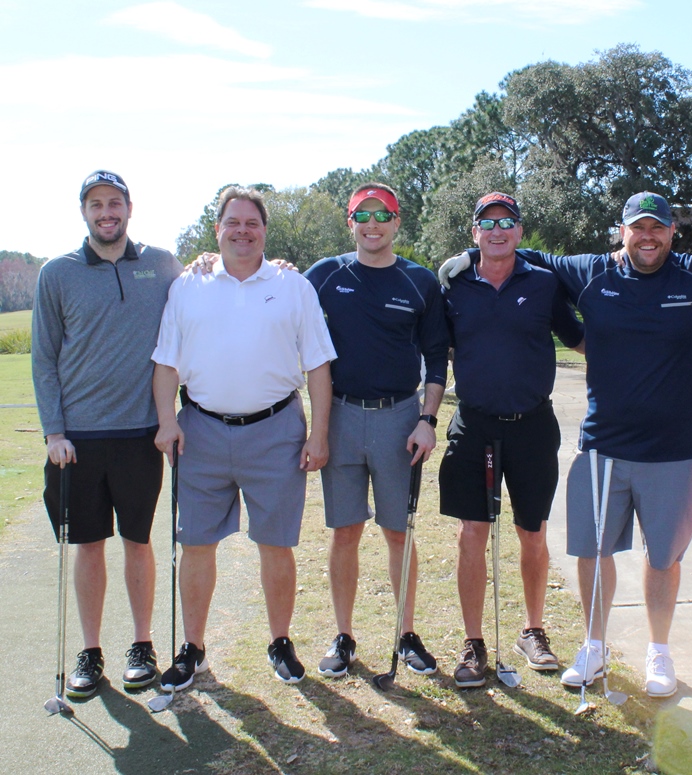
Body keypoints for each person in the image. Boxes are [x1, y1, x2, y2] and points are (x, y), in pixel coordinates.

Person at [440, 192, 692, 698]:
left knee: (663, 559)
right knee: (592, 551)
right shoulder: (591, 271)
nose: (648, 236)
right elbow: (522, 254)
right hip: (603, 444)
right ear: (622, 232)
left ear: (673, 232)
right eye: (638, 227)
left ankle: (659, 652)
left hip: (676, 450)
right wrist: (469, 259)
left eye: (658, 227)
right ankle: (594, 645)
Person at [152, 186, 335, 689]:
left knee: (276, 544)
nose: (242, 231)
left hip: (276, 432)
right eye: (232, 222)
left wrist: (318, 435)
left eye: (252, 223)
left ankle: (280, 642)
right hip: (201, 431)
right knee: (197, 545)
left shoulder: (293, 286)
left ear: (264, 231)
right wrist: (167, 422)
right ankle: (193, 648)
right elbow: (167, 361)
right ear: (217, 229)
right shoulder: (188, 286)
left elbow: (318, 366)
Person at [31, 171, 182, 698]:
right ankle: (90, 652)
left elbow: (202, 290)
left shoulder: (162, 265)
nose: (105, 212)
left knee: (138, 543)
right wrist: (54, 432)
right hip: (78, 441)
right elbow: (44, 359)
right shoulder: (58, 273)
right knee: (88, 546)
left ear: (129, 207)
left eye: (113, 202)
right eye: (95, 204)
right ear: (84, 212)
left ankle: (142, 647)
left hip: (142, 434)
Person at [303, 183, 450, 679]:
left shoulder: (419, 281)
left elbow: (435, 360)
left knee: (397, 531)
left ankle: (406, 634)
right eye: (362, 215)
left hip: (399, 419)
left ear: (396, 222)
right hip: (340, 415)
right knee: (345, 531)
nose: (372, 224)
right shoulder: (325, 275)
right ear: (350, 222)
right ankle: (343, 636)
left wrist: (428, 420)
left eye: (382, 214)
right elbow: (279, 301)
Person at [439, 192, 584, 687]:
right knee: (472, 535)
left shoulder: (544, 283)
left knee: (532, 533)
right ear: (474, 231)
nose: (497, 231)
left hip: (532, 425)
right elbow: (432, 346)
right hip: (474, 424)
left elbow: (582, 338)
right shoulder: (453, 285)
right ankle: (474, 643)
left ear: (520, 232)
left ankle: (533, 630)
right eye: (487, 223)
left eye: (507, 223)